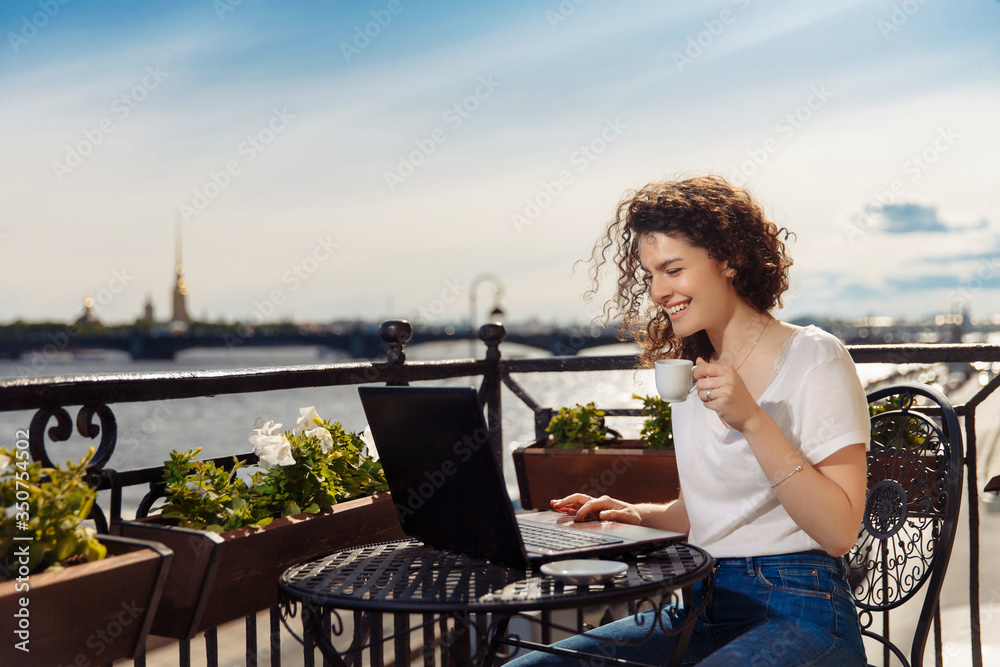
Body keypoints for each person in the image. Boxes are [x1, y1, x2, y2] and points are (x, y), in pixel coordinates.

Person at [508, 175, 870, 666]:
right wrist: (634, 513)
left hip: (801, 607)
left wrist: (753, 421)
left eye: (673, 269)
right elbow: (706, 512)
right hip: (701, 603)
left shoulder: (815, 357)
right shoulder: (693, 372)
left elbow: (840, 531)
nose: (658, 291)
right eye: (649, 275)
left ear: (728, 258)